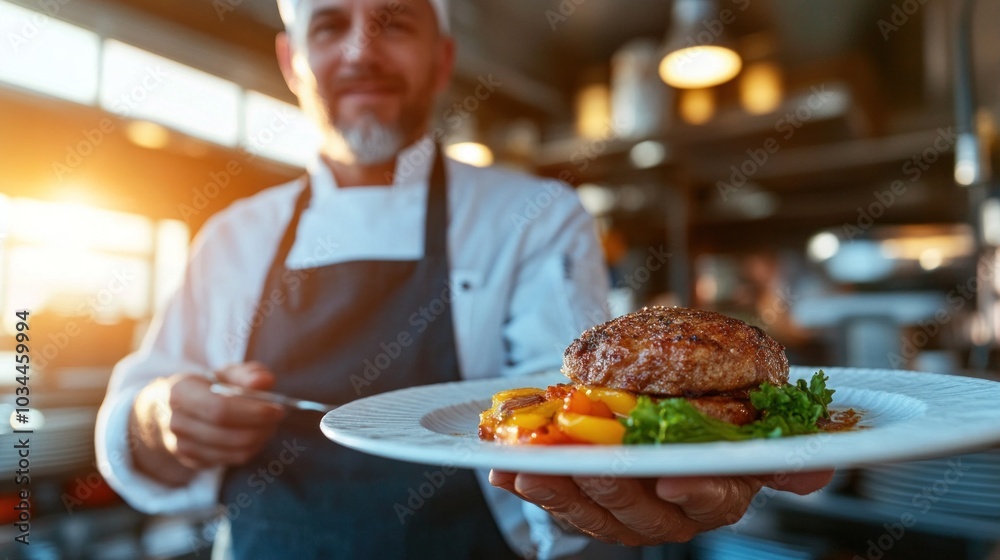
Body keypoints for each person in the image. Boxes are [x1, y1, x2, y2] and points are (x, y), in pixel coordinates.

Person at [94, 0, 832, 558]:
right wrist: (160, 417)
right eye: (330, 26)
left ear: (442, 60)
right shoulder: (230, 234)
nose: (361, 50)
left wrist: (632, 487)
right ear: (292, 62)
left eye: (394, 23)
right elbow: (133, 414)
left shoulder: (535, 213)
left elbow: (577, 413)